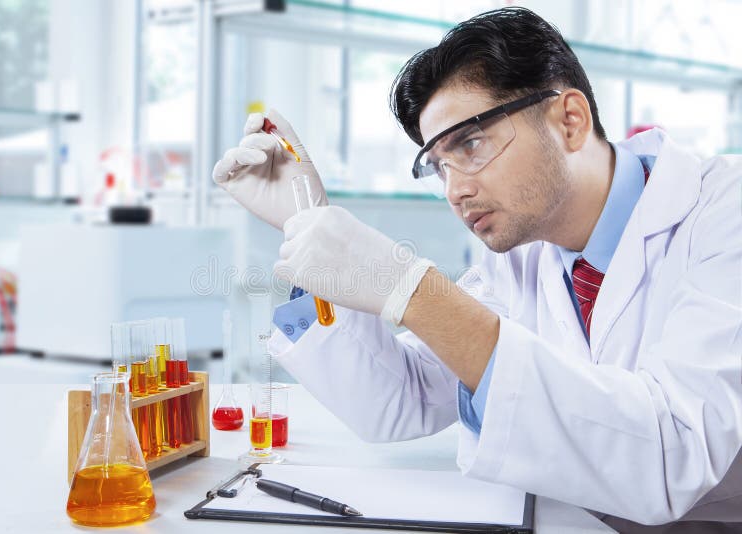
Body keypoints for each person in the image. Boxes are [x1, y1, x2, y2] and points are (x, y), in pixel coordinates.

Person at [212, 7, 742, 533]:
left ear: (570, 120)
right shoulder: (518, 255)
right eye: (439, 164)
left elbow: (675, 455)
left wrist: (411, 289)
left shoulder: (723, 213)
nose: (454, 189)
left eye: (470, 143)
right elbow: (403, 399)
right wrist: (306, 218)